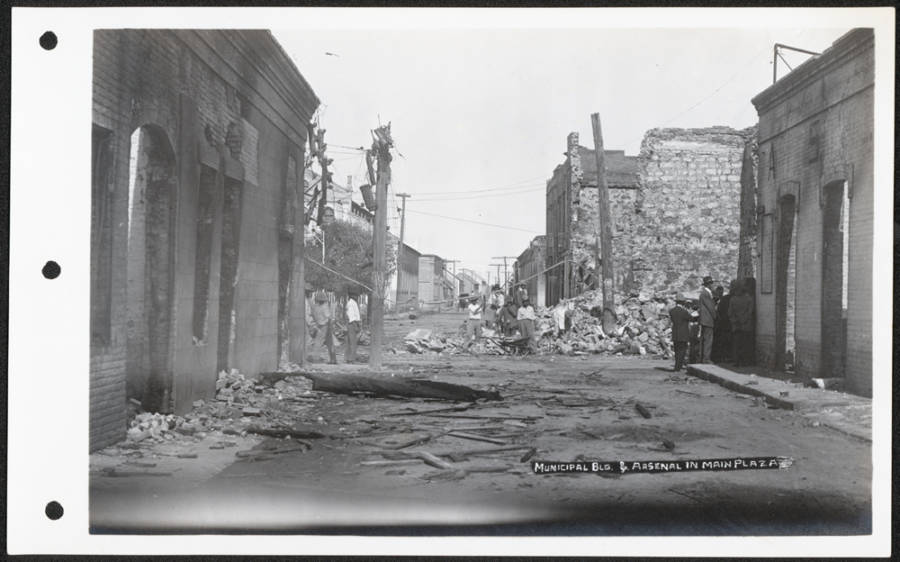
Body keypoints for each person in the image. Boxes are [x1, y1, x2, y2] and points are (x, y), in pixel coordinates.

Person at [728, 285, 754, 366]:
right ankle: (745, 362)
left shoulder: (733, 299)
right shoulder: (749, 299)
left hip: (736, 325)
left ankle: (736, 361)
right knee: (745, 344)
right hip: (746, 325)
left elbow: (730, 313)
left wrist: (735, 320)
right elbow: (750, 312)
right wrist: (744, 320)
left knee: (736, 344)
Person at [310, 290, 337, 364]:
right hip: (326, 325)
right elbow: (329, 317)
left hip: (319, 325)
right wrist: (332, 326)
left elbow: (314, 316)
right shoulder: (324, 306)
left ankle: (317, 358)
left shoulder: (315, 307)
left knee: (318, 342)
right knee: (329, 343)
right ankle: (332, 359)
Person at [668, 293, 693, 371]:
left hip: (675, 333)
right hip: (683, 333)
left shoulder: (672, 311)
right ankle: (678, 367)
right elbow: (691, 318)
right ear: (683, 302)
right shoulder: (684, 312)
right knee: (682, 351)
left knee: (676, 350)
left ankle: (676, 366)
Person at [712, 283, 733, 363]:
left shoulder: (724, 299)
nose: (720, 293)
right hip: (721, 323)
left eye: (721, 292)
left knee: (723, 341)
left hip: (722, 323)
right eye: (719, 292)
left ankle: (721, 356)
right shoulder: (717, 300)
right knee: (720, 341)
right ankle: (719, 357)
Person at [699, 275, 717, 363]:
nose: (712, 285)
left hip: (705, 320)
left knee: (705, 339)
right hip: (708, 320)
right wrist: (716, 317)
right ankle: (706, 358)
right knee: (708, 340)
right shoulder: (706, 294)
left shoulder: (705, 293)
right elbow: (711, 308)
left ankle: (703, 357)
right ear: (708, 284)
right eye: (711, 283)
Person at [345, 290, 361, 363]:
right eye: (356, 296)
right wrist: (356, 326)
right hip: (352, 324)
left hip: (352, 323)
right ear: (352, 296)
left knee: (350, 342)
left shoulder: (352, 303)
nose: (357, 297)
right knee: (352, 342)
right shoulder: (351, 303)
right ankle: (351, 359)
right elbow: (352, 317)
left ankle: (348, 358)